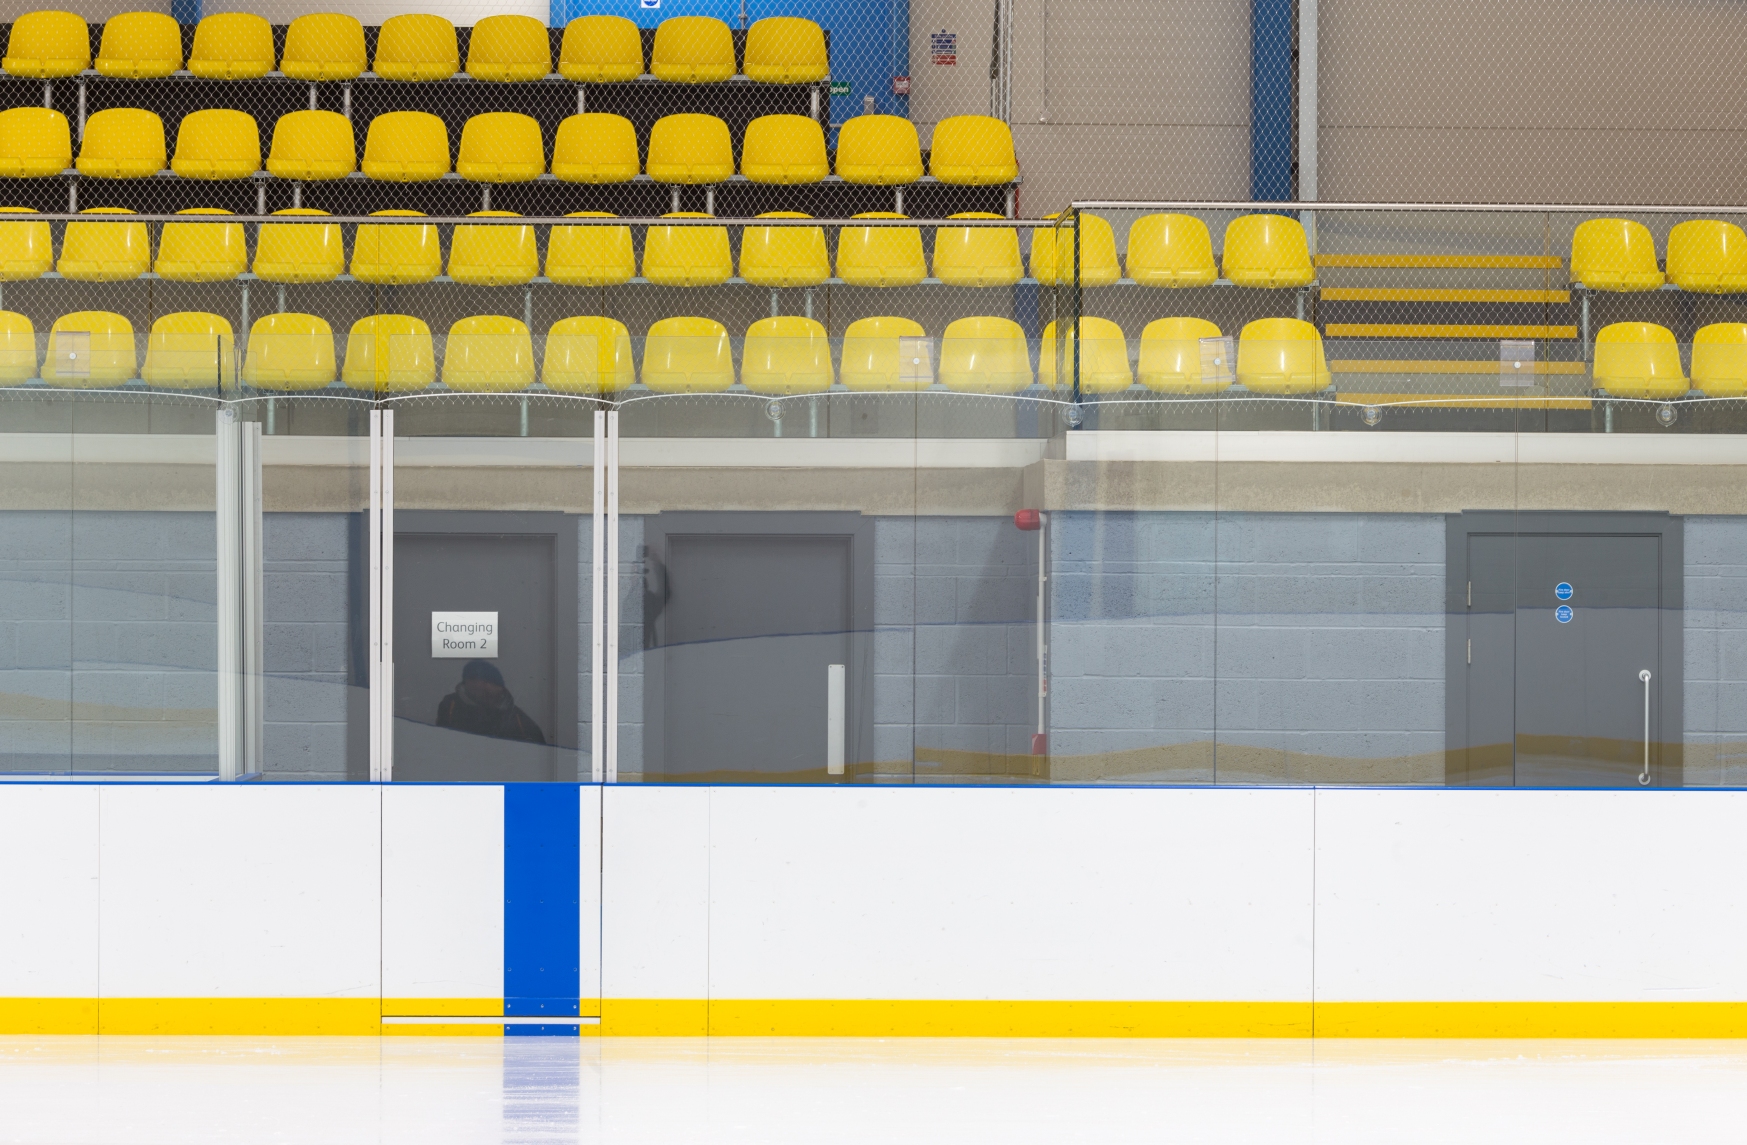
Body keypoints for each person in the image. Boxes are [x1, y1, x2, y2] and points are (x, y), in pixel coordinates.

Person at [435, 659, 546, 744]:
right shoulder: (450, 705)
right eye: (473, 679)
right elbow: (438, 742)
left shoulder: (520, 722)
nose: (479, 685)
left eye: (487, 681)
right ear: (466, 682)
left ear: (500, 687)